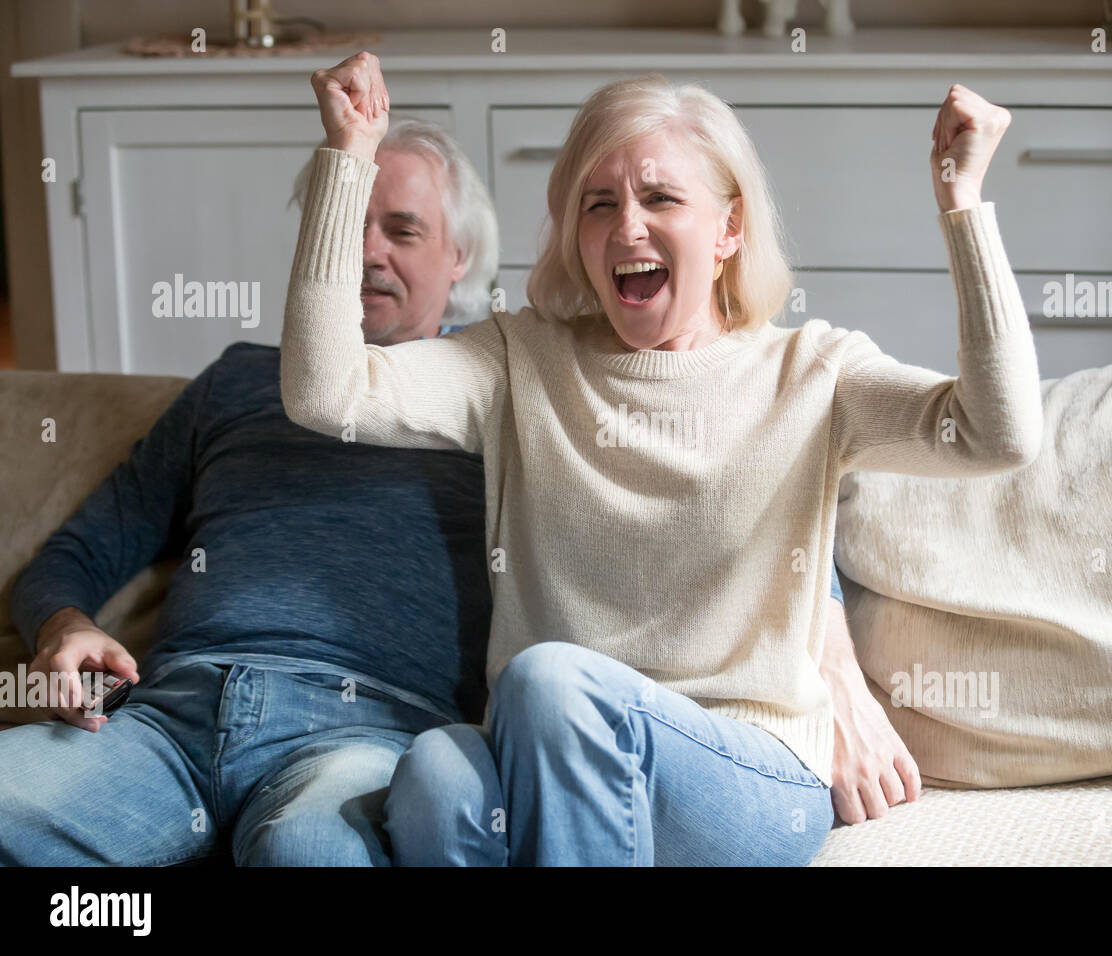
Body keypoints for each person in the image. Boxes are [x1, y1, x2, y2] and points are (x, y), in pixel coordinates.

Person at [281, 53, 1041, 866]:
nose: (627, 227)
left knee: (547, 685)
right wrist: (350, 157)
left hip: (744, 771)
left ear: (729, 229)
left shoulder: (812, 372)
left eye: (661, 197)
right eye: (598, 205)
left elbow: (998, 434)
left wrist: (964, 206)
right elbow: (327, 392)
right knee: (437, 771)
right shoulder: (519, 360)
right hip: (551, 748)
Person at [0, 117, 500, 866]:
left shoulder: (492, 394)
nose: (369, 253)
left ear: (459, 258)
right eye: (352, 224)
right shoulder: (238, 378)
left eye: (403, 230)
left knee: (309, 853)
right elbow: (80, 550)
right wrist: (62, 628)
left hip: (361, 735)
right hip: (167, 726)